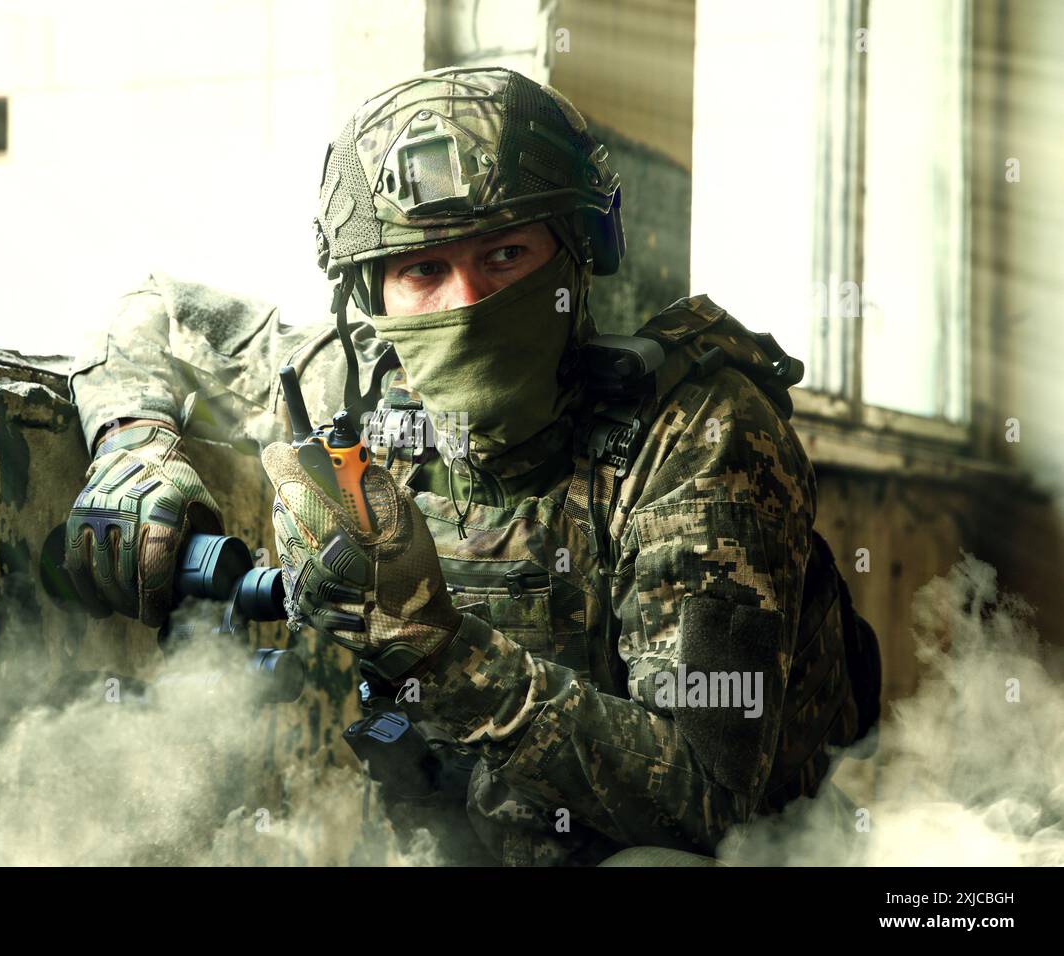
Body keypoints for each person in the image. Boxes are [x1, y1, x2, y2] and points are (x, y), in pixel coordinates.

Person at [64, 66, 876, 866]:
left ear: (576, 257)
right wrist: (133, 449)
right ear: (372, 294)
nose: (467, 302)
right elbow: (160, 316)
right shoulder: (368, 387)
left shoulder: (700, 434)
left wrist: (432, 648)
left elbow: (707, 799)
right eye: (424, 269)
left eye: (505, 255)